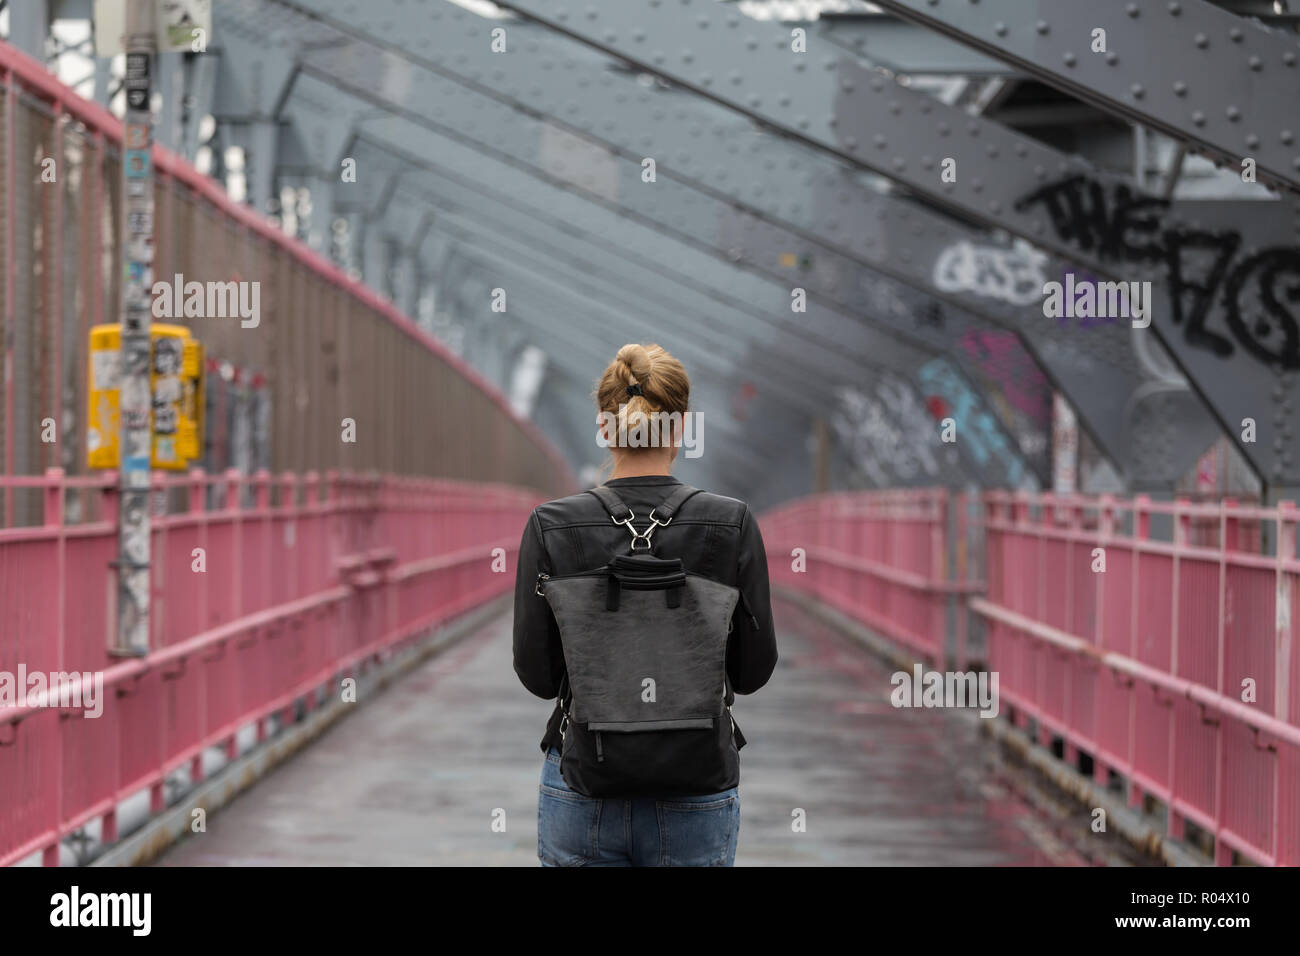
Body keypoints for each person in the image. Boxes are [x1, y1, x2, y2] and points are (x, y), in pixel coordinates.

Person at [513, 342, 777, 867]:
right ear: (680, 428)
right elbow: (751, 671)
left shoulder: (552, 526)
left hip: (583, 780)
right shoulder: (731, 524)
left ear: (605, 428)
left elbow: (539, 676)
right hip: (695, 783)